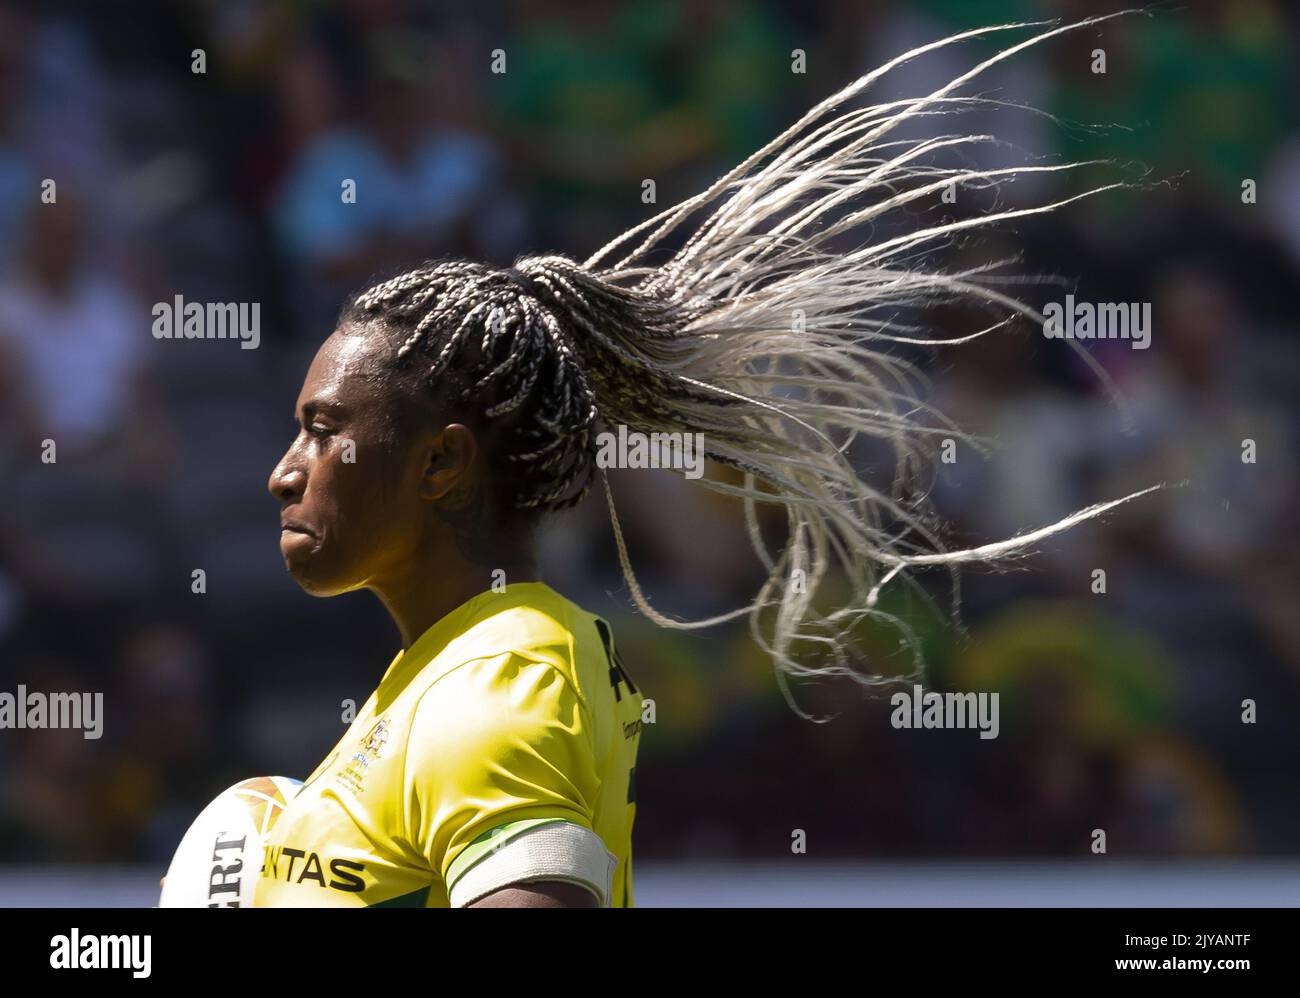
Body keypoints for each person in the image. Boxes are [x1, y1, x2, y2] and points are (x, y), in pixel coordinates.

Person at [259, 16, 1152, 908]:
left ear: (443, 463)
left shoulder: (504, 679)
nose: (285, 471)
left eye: (324, 430)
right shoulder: (459, 667)